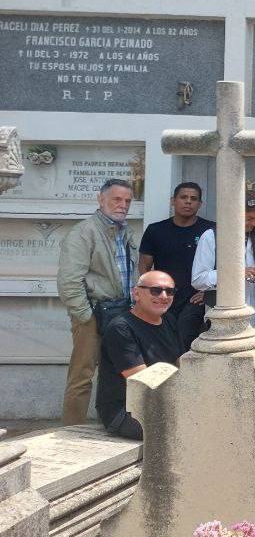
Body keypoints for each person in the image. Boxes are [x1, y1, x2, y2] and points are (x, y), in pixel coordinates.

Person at [56, 178, 138, 425]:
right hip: (92, 313)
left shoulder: (126, 232)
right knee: (82, 376)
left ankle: (112, 425)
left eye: (127, 200)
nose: (123, 205)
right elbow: (69, 281)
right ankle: (71, 433)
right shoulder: (84, 232)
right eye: (116, 199)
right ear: (101, 200)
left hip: (121, 313)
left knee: (115, 372)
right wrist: (85, 316)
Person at [96, 270, 183, 439]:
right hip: (126, 412)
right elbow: (143, 381)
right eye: (155, 290)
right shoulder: (120, 328)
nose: (164, 296)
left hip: (164, 401)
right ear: (136, 293)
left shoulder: (170, 320)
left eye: (170, 291)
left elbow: (180, 364)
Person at [138, 182, 214, 351]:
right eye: (183, 197)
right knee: (162, 343)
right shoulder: (155, 230)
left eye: (193, 199)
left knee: (186, 339)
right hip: (163, 296)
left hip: (196, 298)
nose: (188, 202)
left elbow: (222, 266)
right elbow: (144, 265)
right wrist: (149, 293)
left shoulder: (210, 230)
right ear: (173, 201)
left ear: (200, 204)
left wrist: (209, 291)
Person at [191, 191, 255, 329]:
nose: (254, 223)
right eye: (249, 218)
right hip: (222, 318)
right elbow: (198, 280)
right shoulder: (210, 237)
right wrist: (237, 273)